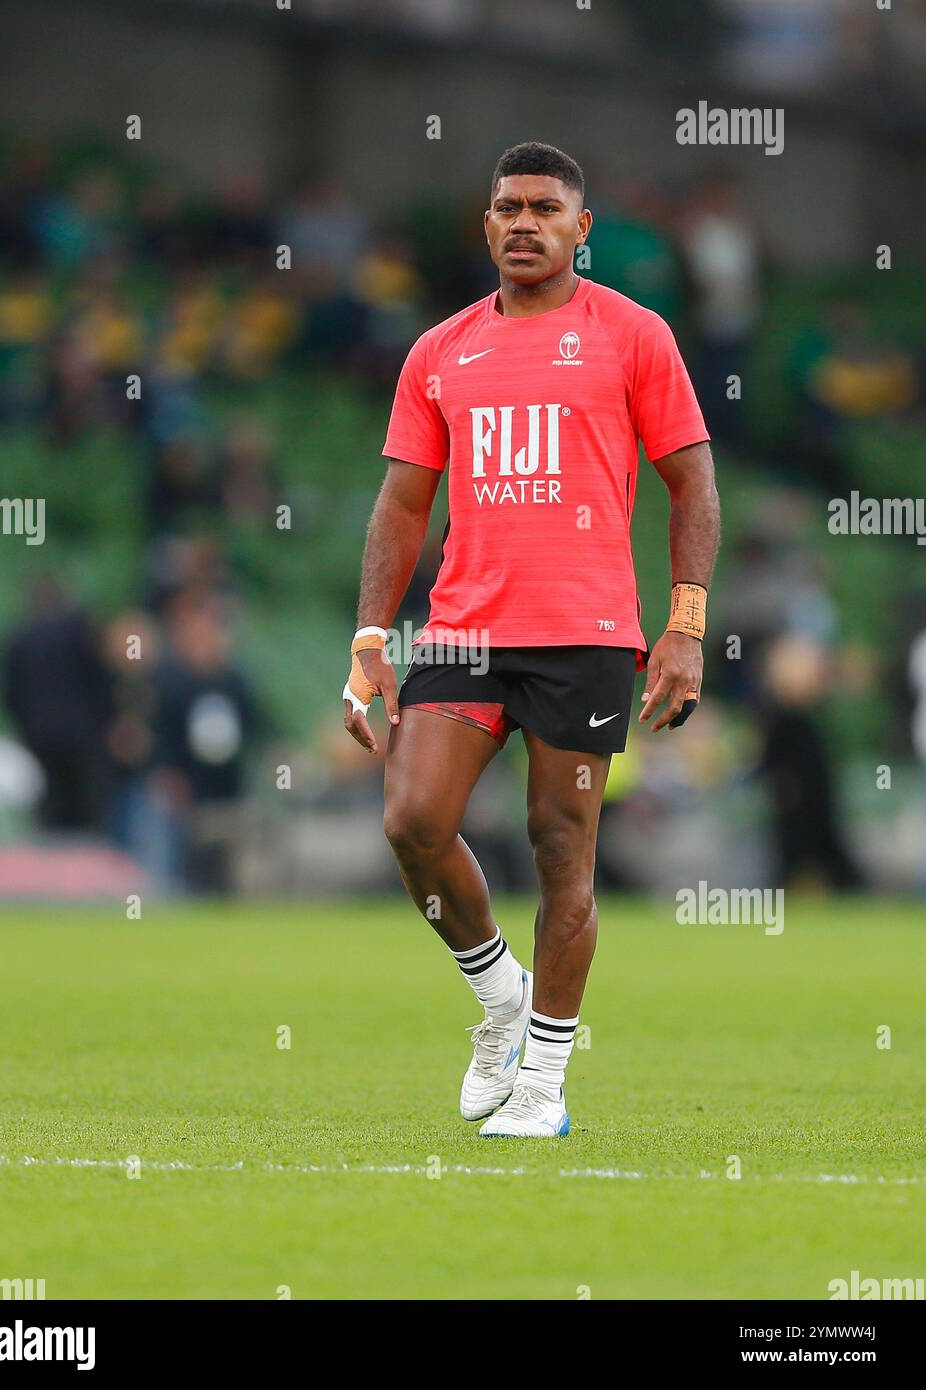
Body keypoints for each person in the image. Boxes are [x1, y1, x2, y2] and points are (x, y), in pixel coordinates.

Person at [342, 143, 719, 1137]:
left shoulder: (634, 337)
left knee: (563, 849)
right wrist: (371, 632)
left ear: (578, 229)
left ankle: (544, 1083)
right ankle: (500, 996)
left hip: (586, 633)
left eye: (545, 208)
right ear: (486, 224)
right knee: (411, 818)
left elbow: (693, 483)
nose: (523, 222)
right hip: (464, 629)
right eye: (506, 205)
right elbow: (400, 501)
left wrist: (684, 626)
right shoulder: (439, 350)